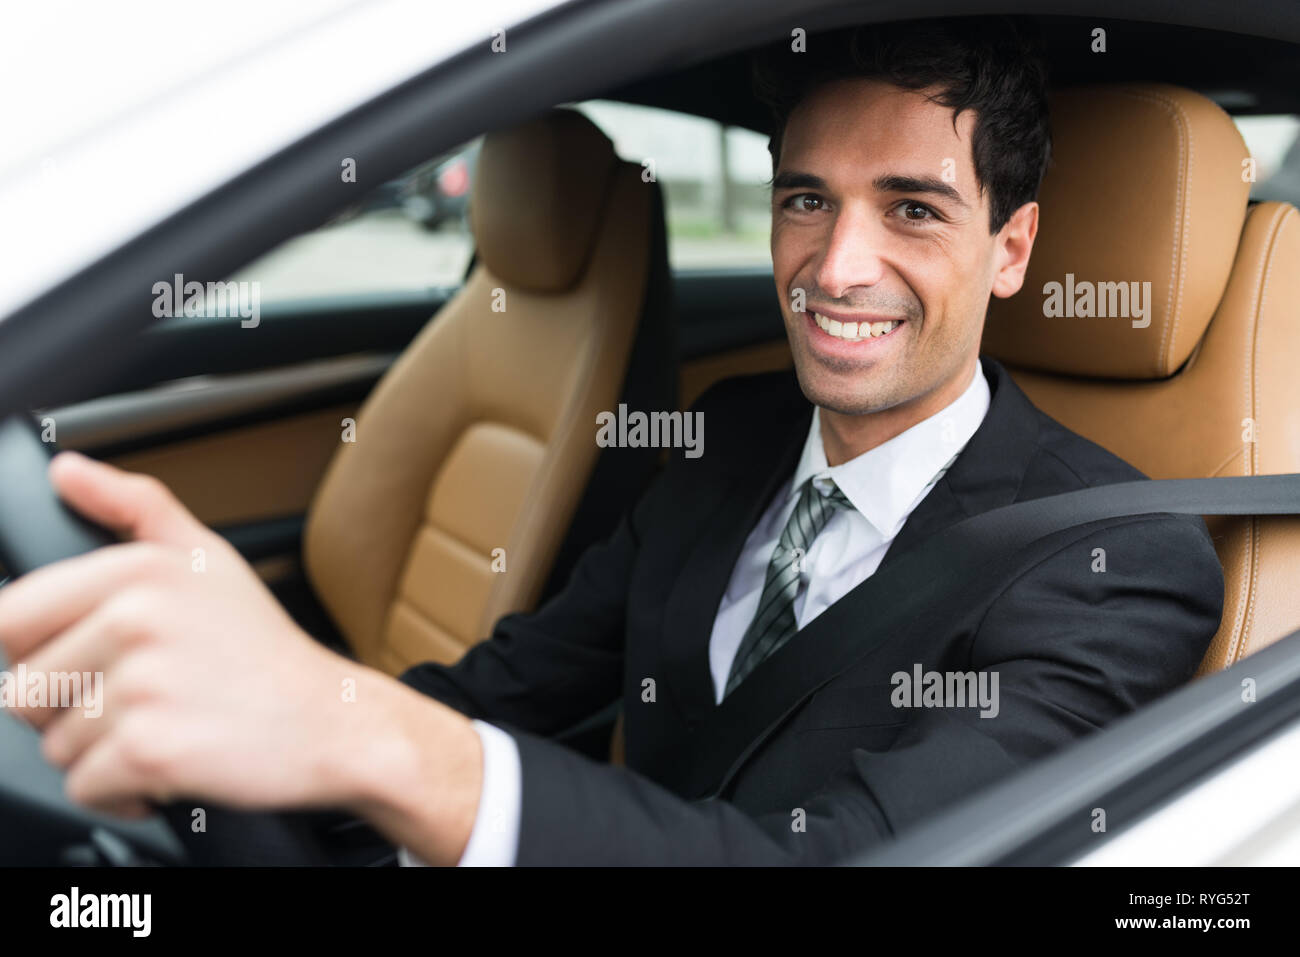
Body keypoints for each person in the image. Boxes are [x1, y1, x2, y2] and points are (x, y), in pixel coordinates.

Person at [0, 17, 1223, 865]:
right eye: (807, 199)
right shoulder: (728, 437)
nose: (838, 266)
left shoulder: (1114, 562)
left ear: (1011, 251)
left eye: (912, 209)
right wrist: (232, 745)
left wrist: (362, 739)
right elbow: (511, 693)